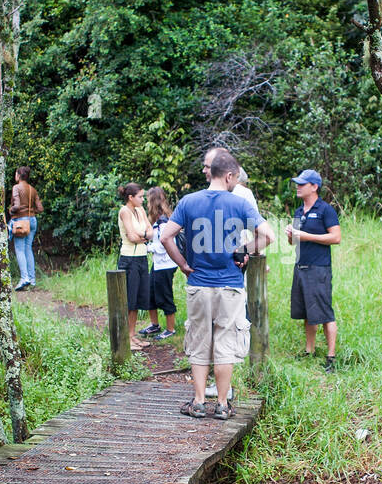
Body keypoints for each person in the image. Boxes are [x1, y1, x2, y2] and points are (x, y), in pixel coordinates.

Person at [162, 151, 275, 419]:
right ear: (228, 175)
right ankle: (223, 404)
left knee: (200, 340)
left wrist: (183, 265)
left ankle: (199, 401)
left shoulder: (189, 202)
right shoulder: (238, 204)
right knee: (225, 341)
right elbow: (267, 235)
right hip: (230, 285)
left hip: (199, 283)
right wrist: (245, 250)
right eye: (234, 177)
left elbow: (166, 236)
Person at [287, 168, 341, 372]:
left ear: (314, 187)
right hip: (301, 265)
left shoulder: (326, 209)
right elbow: (294, 242)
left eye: (302, 184)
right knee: (307, 312)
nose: (298, 187)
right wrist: (291, 235)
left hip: (319, 268)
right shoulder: (298, 211)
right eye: (297, 184)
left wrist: (305, 235)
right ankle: (309, 350)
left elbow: (335, 237)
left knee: (325, 312)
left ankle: (331, 357)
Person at [117, 183, 155, 351]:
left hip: (142, 258)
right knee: (129, 300)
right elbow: (131, 236)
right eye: (140, 196)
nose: (142, 199)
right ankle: (126, 336)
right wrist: (144, 236)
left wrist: (144, 236)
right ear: (130, 198)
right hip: (129, 259)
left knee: (139, 299)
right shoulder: (124, 211)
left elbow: (151, 231)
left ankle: (132, 335)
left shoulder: (140, 211)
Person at [140, 186, 178, 340]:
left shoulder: (163, 222)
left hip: (166, 265)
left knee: (165, 295)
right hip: (158, 264)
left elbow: (165, 244)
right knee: (150, 294)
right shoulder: (156, 221)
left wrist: (148, 248)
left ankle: (170, 329)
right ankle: (154, 325)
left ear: (152, 202)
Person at [8, 167, 44, 291]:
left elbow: (17, 206)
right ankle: (32, 279)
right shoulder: (32, 189)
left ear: (18, 175)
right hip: (32, 221)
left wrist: (10, 210)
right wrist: (30, 211)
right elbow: (40, 209)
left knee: (19, 249)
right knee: (28, 248)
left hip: (20, 222)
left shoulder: (16, 188)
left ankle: (24, 278)